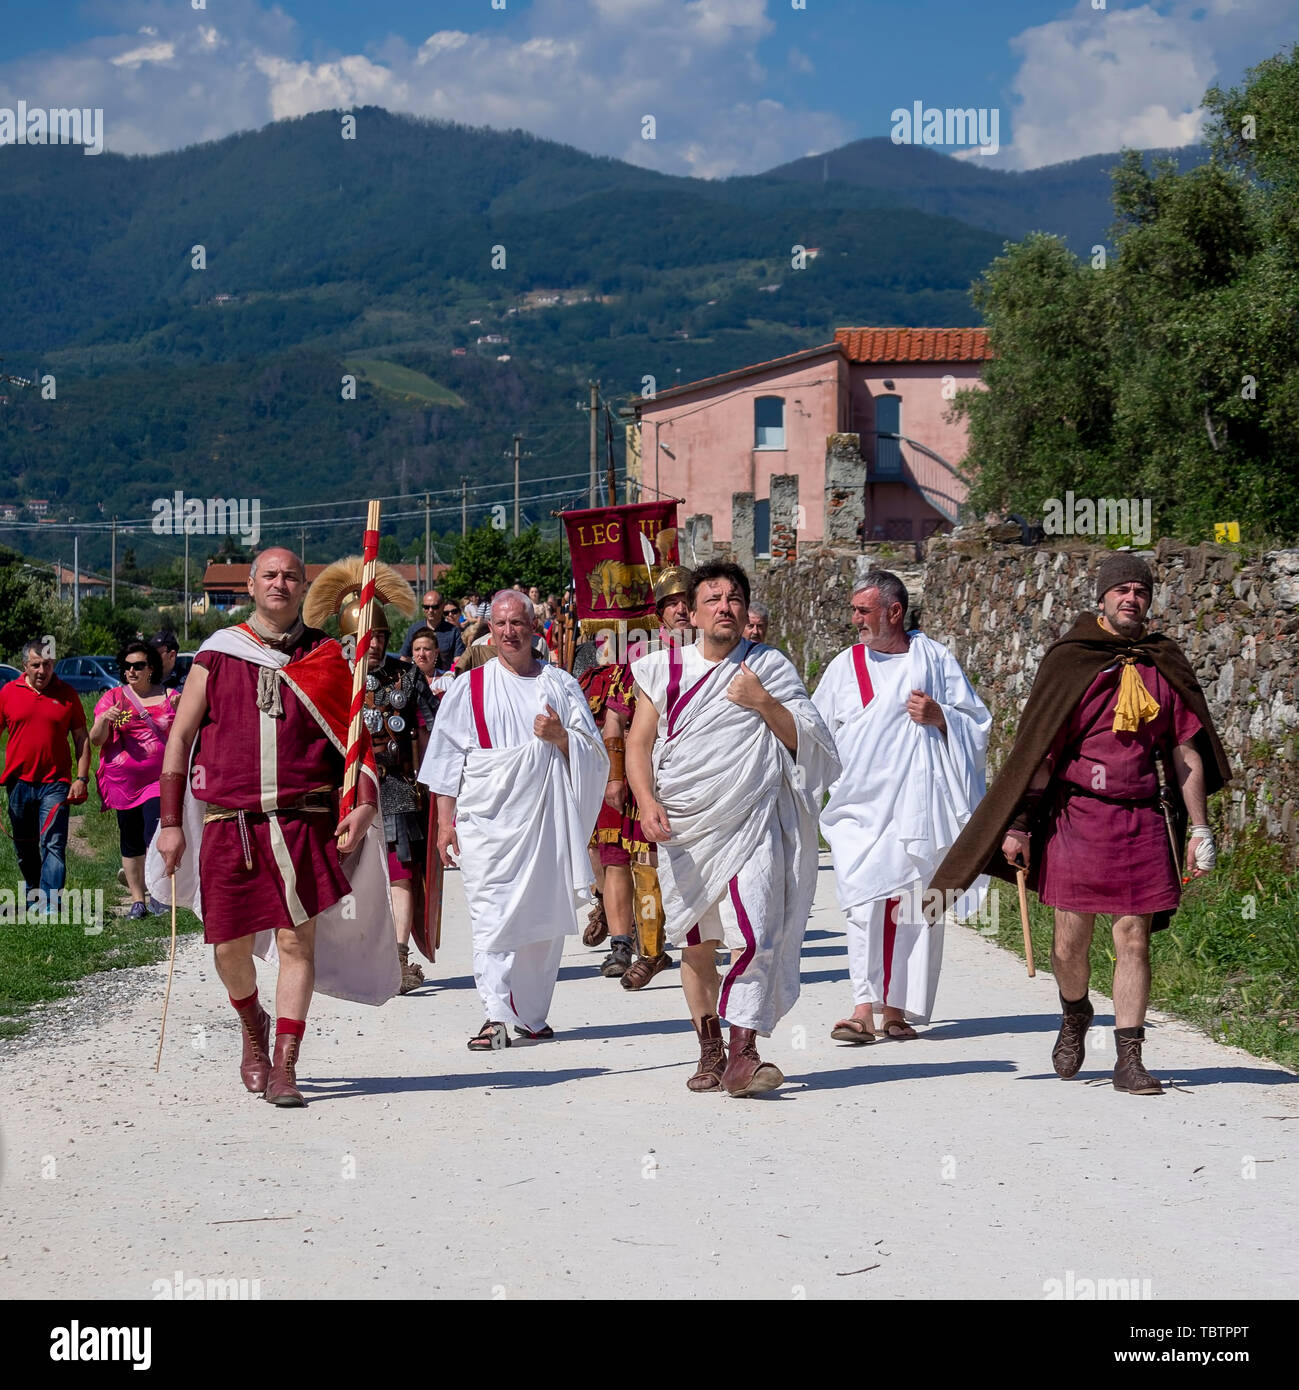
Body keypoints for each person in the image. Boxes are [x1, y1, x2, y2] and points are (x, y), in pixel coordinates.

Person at [930, 554, 1231, 1096]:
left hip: (1142, 817)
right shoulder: (1073, 660)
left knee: (1133, 938)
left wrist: (1202, 830)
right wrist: (1019, 824)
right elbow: (1040, 752)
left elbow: (1186, 753)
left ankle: (1129, 1057)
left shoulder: (1163, 664)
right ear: (1102, 598)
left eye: (1140, 590)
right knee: (1071, 942)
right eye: (1122, 590)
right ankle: (1074, 1014)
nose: (1131, 599)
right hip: (1077, 815)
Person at [149, 548, 398, 1109]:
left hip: (302, 821)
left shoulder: (331, 657)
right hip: (228, 823)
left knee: (295, 940)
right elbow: (180, 739)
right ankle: (252, 1026)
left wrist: (362, 802)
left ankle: (286, 1063)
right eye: (270, 575)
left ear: (304, 586)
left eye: (290, 575)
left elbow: (354, 743)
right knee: (228, 945)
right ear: (251, 585)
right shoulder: (217, 654)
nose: (280, 583)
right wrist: (170, 823)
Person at [626, 562, 839, 1096]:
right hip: (687, 821)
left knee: (757, 929)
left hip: (754, 816)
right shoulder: (661, 669)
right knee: (699, 945)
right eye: (714, 598)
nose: (726, 606)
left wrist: (762, 702)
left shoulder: (768, 666)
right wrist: (646, 800)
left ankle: (744, 1051)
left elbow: (809, 742)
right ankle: (711, 1050)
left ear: (745, 610)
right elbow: (639, 744)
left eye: (735, 598)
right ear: (692, 613)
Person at [419, 589, 607, 1050]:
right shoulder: (470, 686)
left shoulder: (559, 684)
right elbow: (446, 759)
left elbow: (595, 754)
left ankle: (532, 1013)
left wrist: (561, 736)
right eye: (500, 624)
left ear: (532, 627)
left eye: (517, 623)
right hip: (487, 821)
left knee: (543, 913)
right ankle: (495, 1015)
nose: (509, 632)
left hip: (546, 821)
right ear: (490, 629)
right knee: (491, 913)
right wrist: (445, 823)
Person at [812, 572, 990, 1043]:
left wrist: (941, 717)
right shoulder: (843, 666)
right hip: (858, 808)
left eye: (863, 611)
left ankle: (895, 1010)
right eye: (853, 610)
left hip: (916, 805)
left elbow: (977, 723)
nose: (855, 620)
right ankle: (862, 1008)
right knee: (862, 903)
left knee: (912, 903)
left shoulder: (934, 660)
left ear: (894, 611)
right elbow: (814, 731)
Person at [304, 560, 433, 996]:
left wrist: (435, 783)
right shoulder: (327, 675)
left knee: (399, 874)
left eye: (380, 635)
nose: (374, 644)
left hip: (394, 788)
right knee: (339, 876)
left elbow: (429, 730)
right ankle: (337, 958)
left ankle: (397, 959)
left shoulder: (407, 675)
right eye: (366, 636)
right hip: (340, 791)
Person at [89, 641, 180, 919]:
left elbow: (188, 734)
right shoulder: (114, 698)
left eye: (138, 666)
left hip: (160, 780)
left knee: (154, 835)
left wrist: (181, 708)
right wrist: (104, 719)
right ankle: (138, 900)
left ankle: (159, 896)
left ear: (150, 668)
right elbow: (96, 740)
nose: (131, 670)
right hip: (123, 783)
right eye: (127, 666)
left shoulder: (170, 696)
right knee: (130, 840)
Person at [0, 641, 90, 915]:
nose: (42, 670)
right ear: (25, 666)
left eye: (47, 664)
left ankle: (51, 902)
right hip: (18, 783)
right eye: (36, 665)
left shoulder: (67, 694)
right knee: (25, 845)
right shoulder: (7, 693)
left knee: (53, 842)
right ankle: (33, 894)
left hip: (55, 783)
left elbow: (81, 737)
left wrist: (82, 778)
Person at [398, 590, 443, 659]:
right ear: (423, 608)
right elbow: (405, 657)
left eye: (434, 607)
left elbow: (458, 661)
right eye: (426, 607)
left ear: (442, 607)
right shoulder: (414, 629)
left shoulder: (453, 632)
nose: (430, 610)